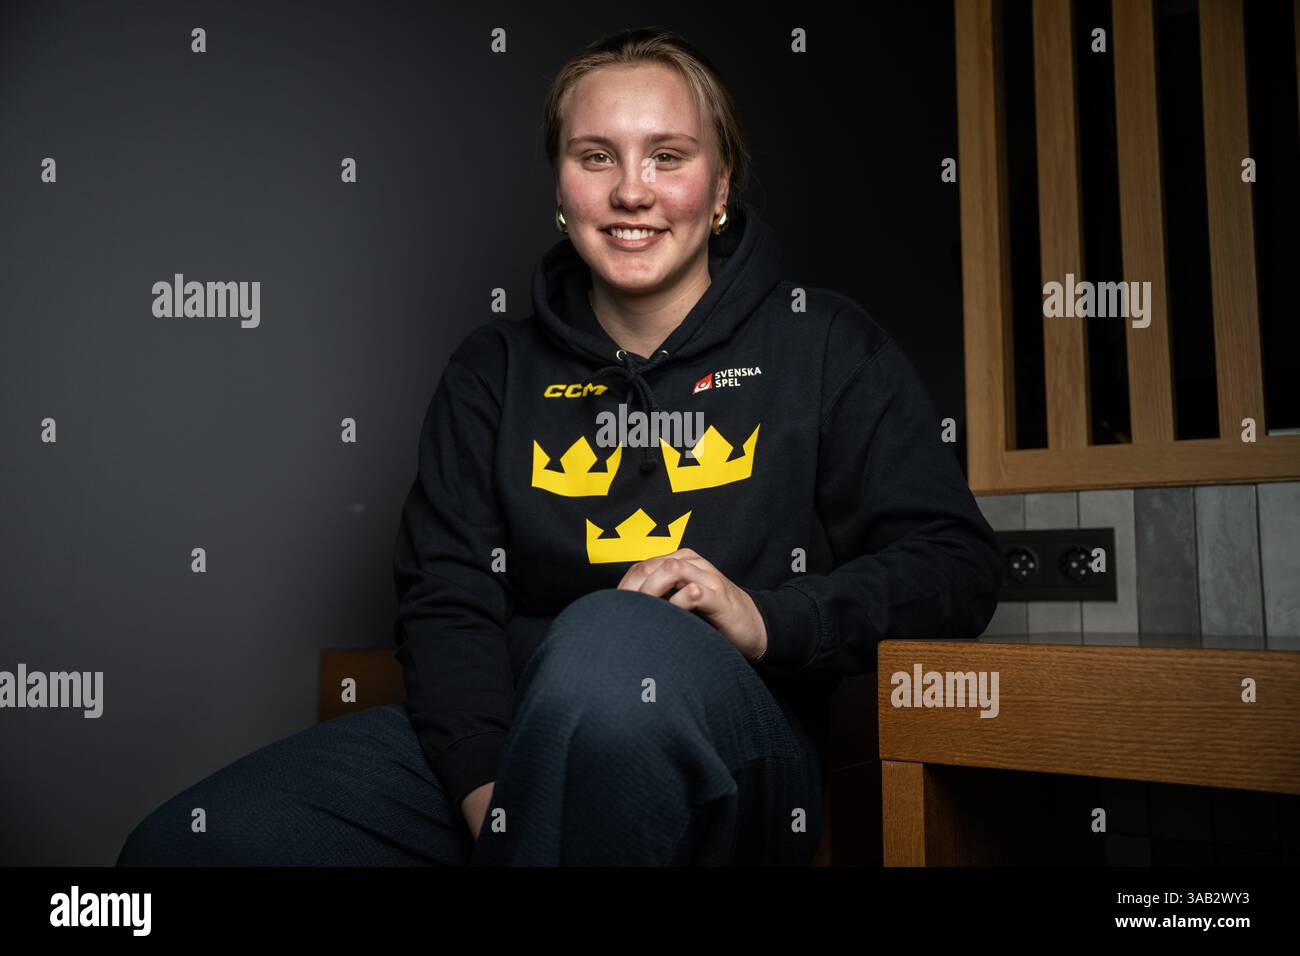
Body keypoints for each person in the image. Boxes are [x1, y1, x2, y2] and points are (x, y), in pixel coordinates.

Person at [115, 26, 1002, 868]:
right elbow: (446, 601)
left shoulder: (824, 345)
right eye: (595, 157)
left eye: (668, 155)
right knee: (190, 845)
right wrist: (492, 796)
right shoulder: (491, 370)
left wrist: (770, 618)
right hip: (511, 739)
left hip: (738, 750)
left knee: (612, 638)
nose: (631, 191)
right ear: (561, 185)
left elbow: (954, 565)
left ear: (721, 184)